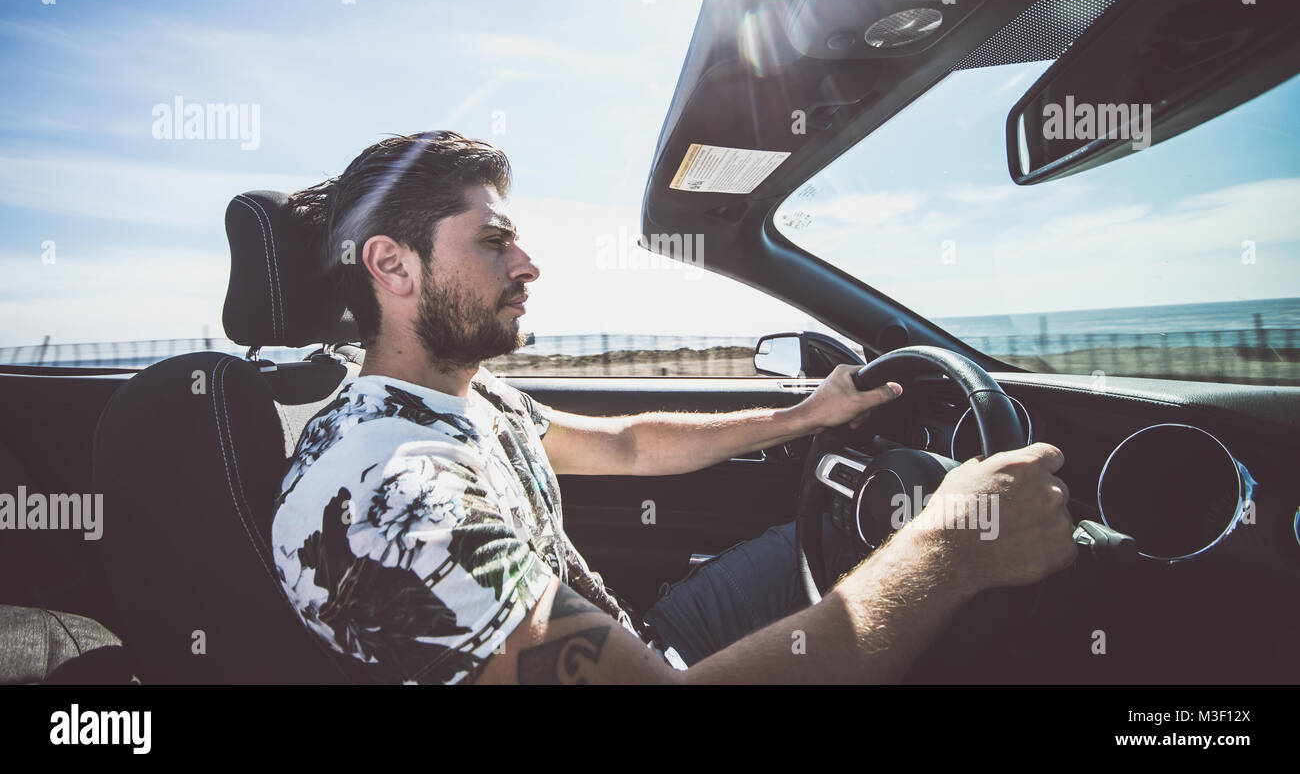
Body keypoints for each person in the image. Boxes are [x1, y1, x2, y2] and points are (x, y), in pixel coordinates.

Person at [271, 130, 1077, 684]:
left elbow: (625, 444)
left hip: (639, 642)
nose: (528, 264)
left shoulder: (458, 398)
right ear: (392, 265)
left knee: (817, 540)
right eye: (493, 240)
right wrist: (950, 551)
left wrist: (806, 416)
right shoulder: (391, 492)